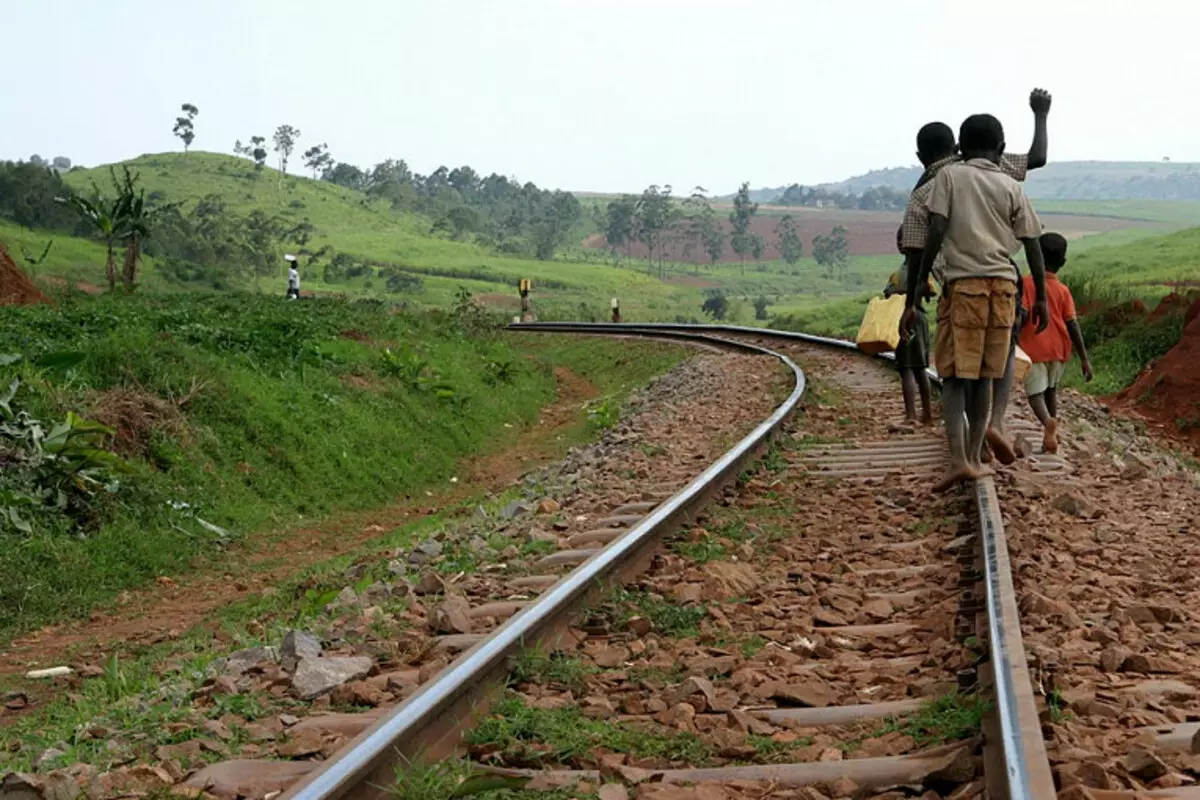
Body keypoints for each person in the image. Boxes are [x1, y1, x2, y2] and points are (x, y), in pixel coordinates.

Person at [900, 88, 1052, 464]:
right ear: (998, 147)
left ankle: (965, 455)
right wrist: (1040, 113)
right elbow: (1038, 161)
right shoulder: (1003, 175)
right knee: (993, 366)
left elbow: (919, 244)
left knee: (955, 372)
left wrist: (914, 292)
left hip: (961, 284)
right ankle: (992, 425)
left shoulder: (931, 188)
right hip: (1006, 284)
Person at [1017, 232, 1093, 453]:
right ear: (1063, 262)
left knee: (1035, 394)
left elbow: (1021, 315)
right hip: (1059, 348)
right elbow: (1073, 325)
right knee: (1051, 390)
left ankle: (1047, 422)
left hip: (1034, 349)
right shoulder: (1063, 291)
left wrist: (1012, 338)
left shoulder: (1026, 284)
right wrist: (1085, 359)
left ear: (1035, 257)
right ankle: (1051, 435)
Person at [885, 227, 935, 424]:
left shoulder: (896, 275)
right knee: (920, 368)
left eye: (901, 239)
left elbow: (888, 295)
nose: (899, 243)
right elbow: (930, 292)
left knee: (906, 368)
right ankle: (928, 414)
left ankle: (911, 415)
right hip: (920, 319)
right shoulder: (924, 271)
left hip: (903, 320)